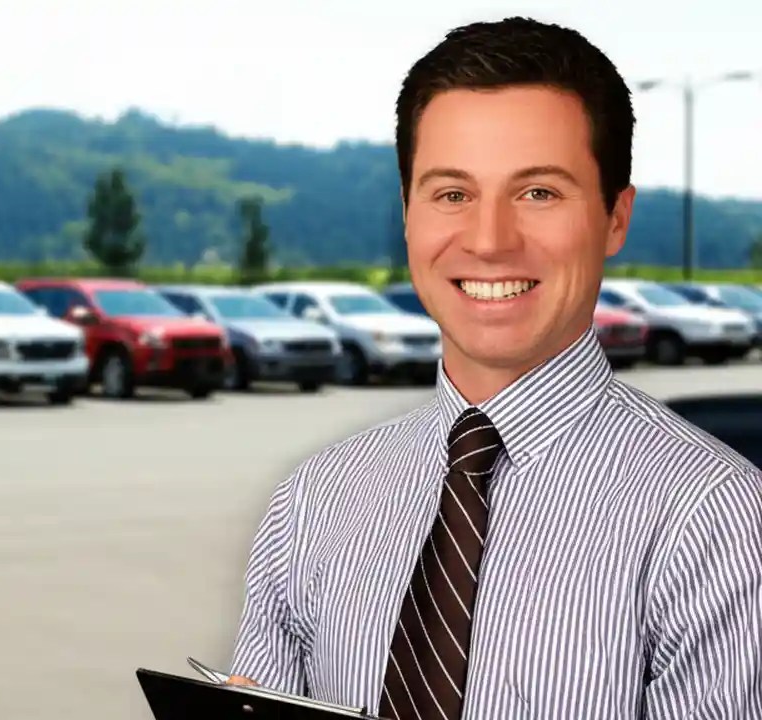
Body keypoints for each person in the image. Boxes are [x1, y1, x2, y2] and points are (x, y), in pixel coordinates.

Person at [224, 16, 762, 720]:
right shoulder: (314, 501)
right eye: (453, 194)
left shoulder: (716, 521)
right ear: (410, 216)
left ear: (615, 218)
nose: (488, 240)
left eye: (538, 192)